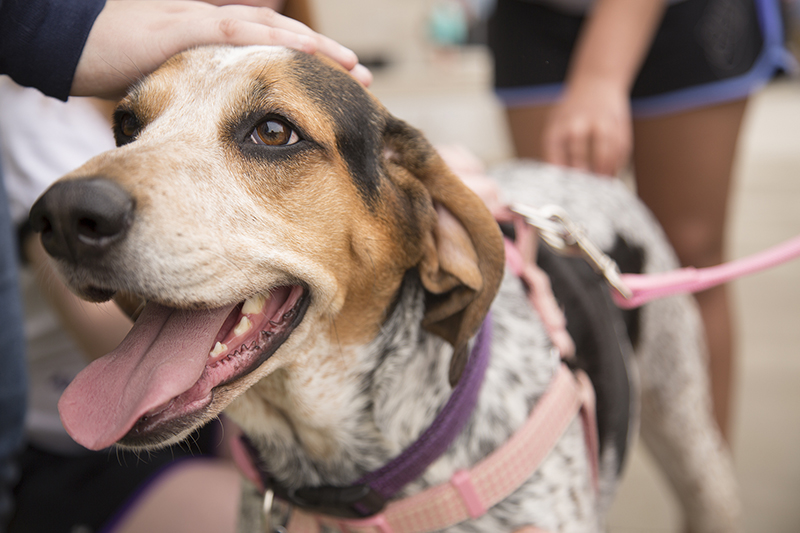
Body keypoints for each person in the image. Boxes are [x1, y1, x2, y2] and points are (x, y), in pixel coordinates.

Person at [0, 1, 370, 530]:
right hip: (75, 445)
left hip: (221, 407)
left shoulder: (318, 90)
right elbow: (102, 331)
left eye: (270, 132)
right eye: (131, 126)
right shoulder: (34, 102)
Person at [487, 0, 794, 440]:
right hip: (537, 15)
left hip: (688, 16)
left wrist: (600, 77)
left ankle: (707, 489)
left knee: (692, 256)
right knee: (558, 264)